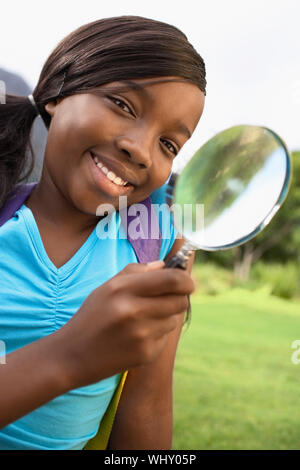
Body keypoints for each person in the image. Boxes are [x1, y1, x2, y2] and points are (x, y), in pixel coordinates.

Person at [0, 15, 206, 450]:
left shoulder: (156, 245)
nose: (141, 149)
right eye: (123, 105)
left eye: (169, 144)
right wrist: (71, 356)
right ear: (58, 92)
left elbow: (147, 408)